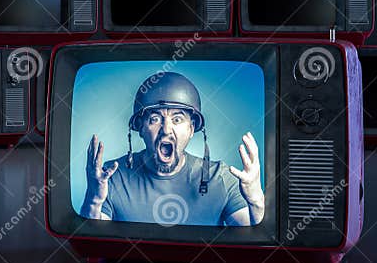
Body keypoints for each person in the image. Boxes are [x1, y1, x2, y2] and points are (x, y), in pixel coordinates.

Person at [79, 71, 264, 226]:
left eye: (177, 119)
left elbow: (252, 244)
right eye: (155, 119)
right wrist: (93, 200)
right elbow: (92, 245)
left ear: (191, 129)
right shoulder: (111, 177)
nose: (166, 130)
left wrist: (256, 201)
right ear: (141, 128)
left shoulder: (221, 178)